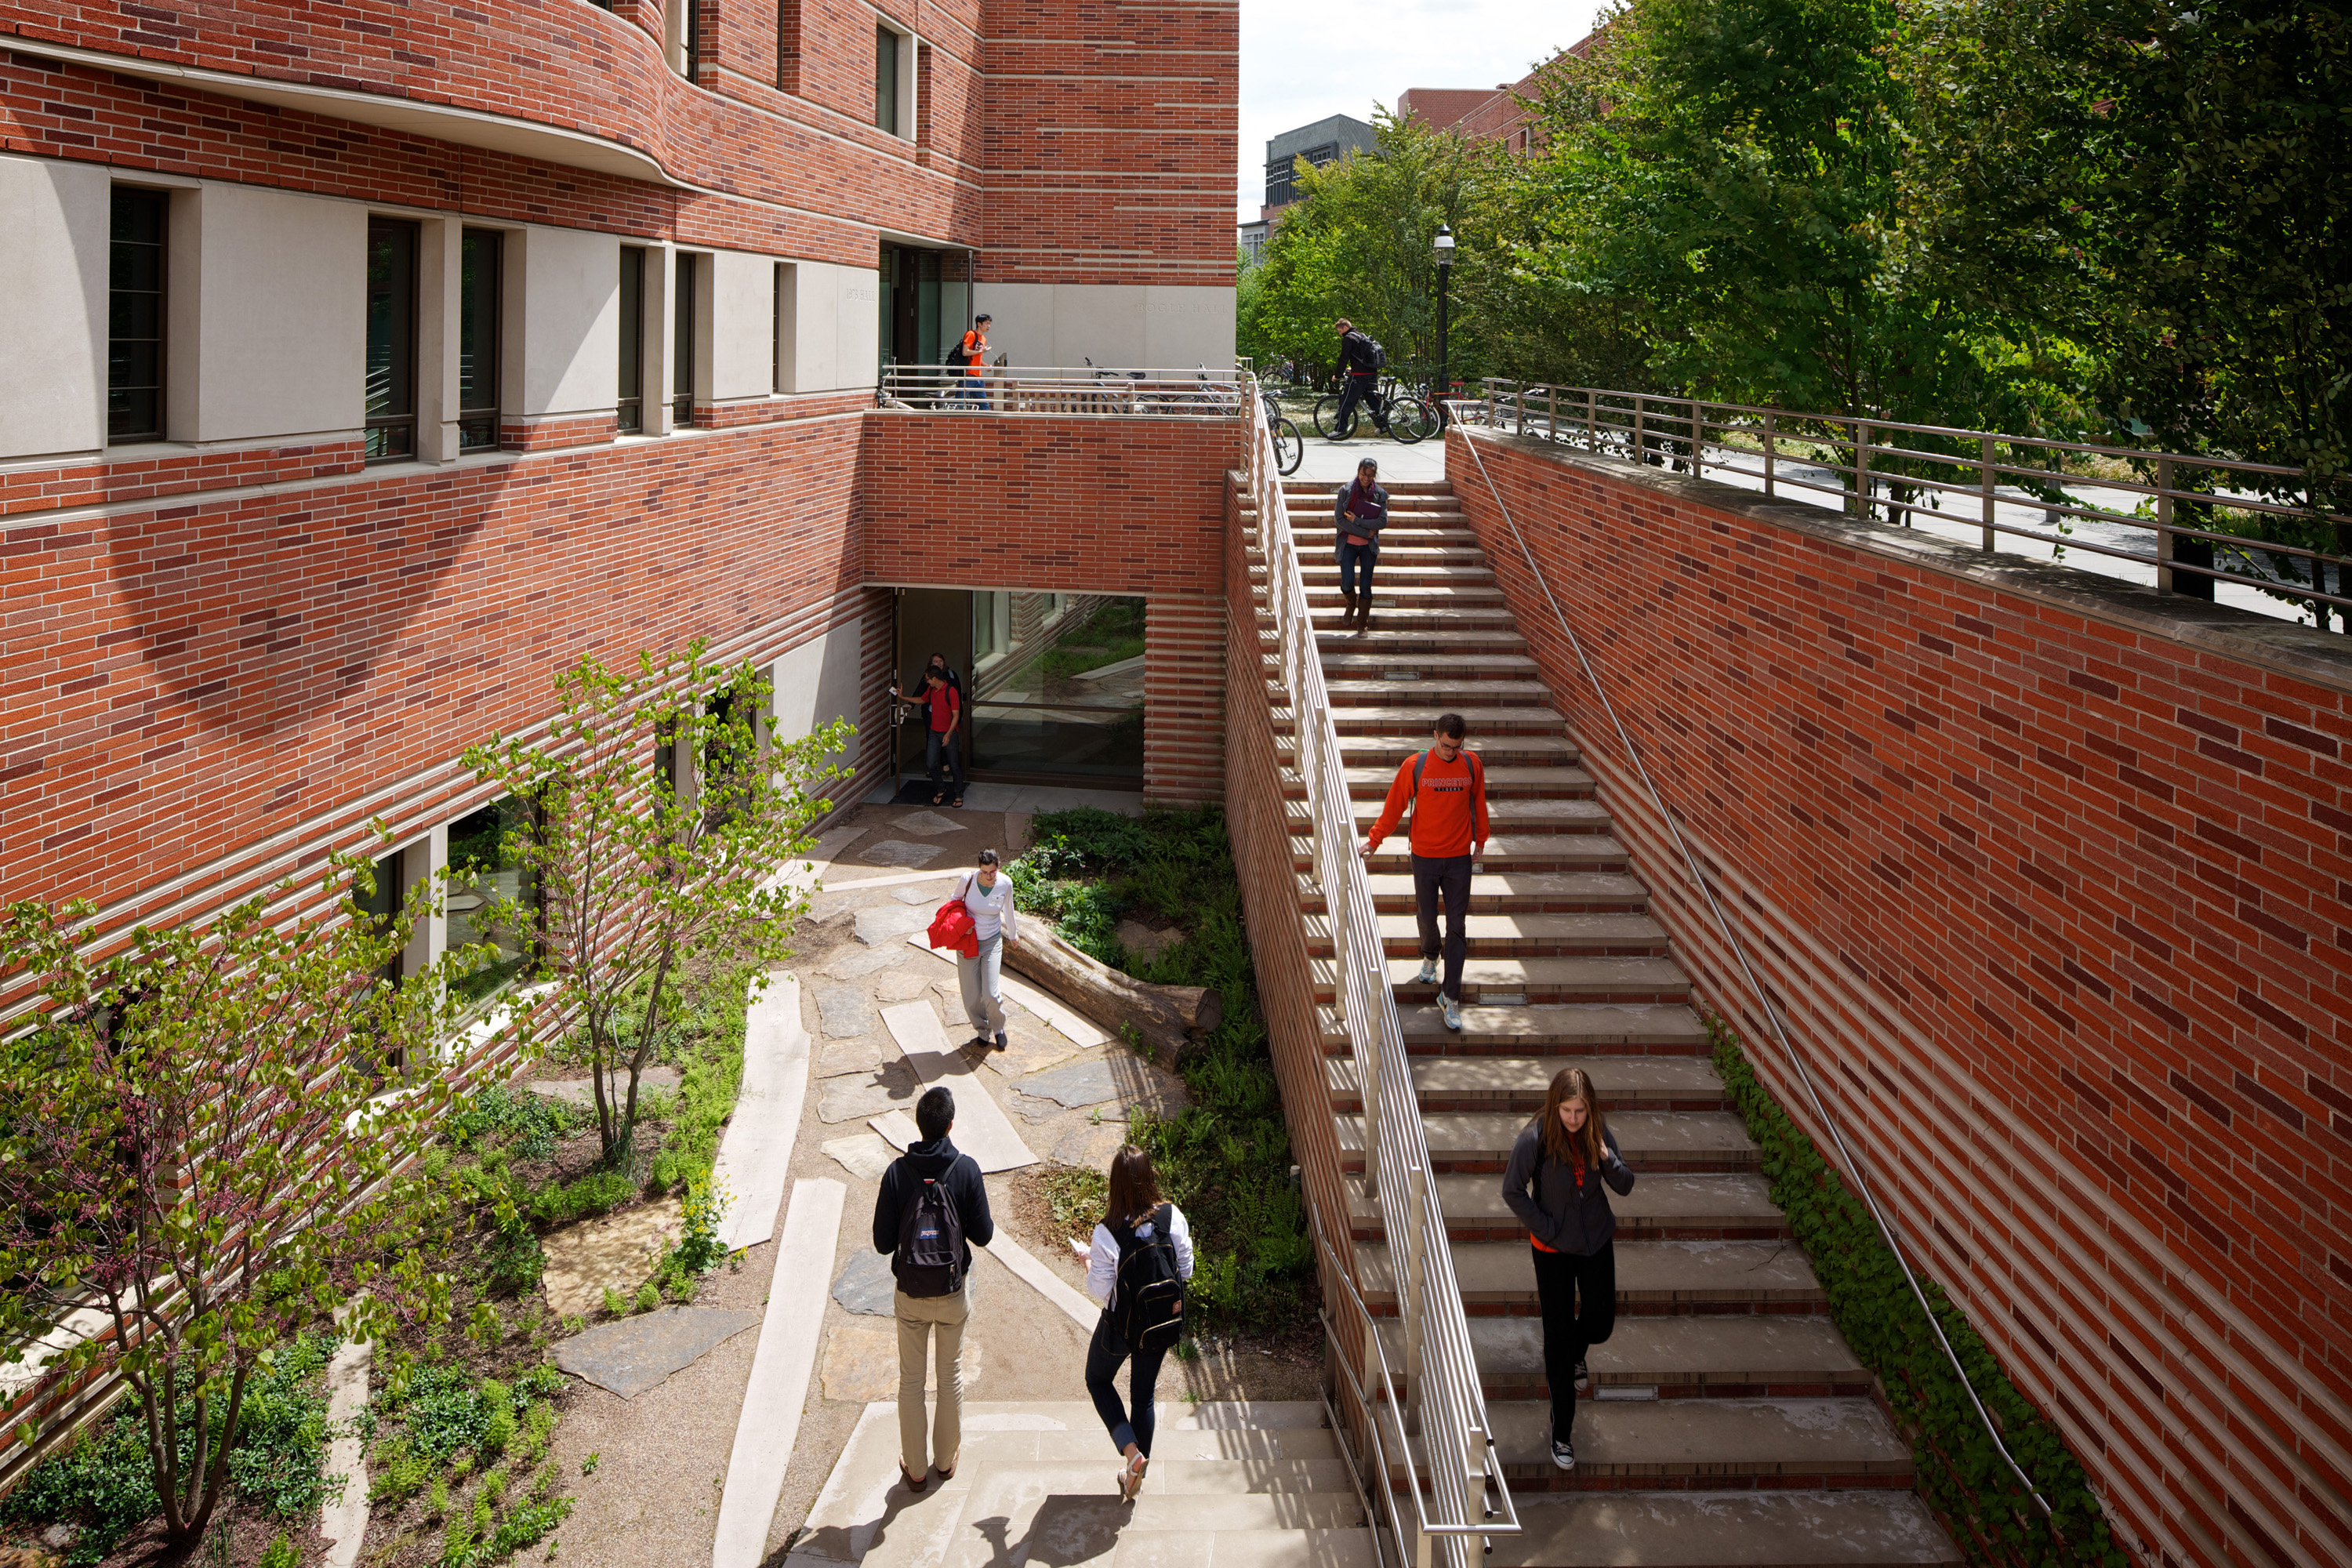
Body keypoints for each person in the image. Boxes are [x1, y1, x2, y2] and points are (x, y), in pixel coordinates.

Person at [1501, 1069, 1632, 1472]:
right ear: (1554, 1105)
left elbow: (1625, 1185)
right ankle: (1562, 1433)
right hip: (1552, 1250)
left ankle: (1578, 1352)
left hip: (1594, 1241)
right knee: (1556, 1340)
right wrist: (1547, 1227)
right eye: (1567, 1110)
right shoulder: (1534, 1140)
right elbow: (1512, 1190)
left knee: (1601, 1322)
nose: (1574, 1119)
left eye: (1580, 1110)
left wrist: (1607, 1158)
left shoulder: (1598, 1133)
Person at [873, 1085, 994, 1491]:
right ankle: (946, 1460)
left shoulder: (896, 1173)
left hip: (910, 1295)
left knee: (911, 1380)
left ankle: (917, 1470)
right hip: (952, 1292)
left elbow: (882, 1243)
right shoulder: (965, 1169)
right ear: (950, 1125)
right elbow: (985, 1235)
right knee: (949, 1375)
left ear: (920, 1127)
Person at [1359, 713, 1488, 1030]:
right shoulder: (1415, 767)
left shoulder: (1471, 765)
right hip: (1425, 857)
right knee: (1427, 917)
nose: (1450, 752)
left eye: (1456, 747)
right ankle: (1431, 955)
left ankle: (1451, 997)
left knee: (1457, 926)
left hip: (1458, 858)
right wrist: (1375, 840)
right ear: (1435, 736)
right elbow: (1395, 805)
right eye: (1445, 745)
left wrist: (1481, 840)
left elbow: (1479, 802)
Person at [1082, 1145, 1194, 1502]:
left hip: (1120, 1328)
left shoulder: (1107, 1232)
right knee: (1143, 1394)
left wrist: (1088, 1262)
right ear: (1150, 1177)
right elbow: (1186, 1269)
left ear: (1115, 1184)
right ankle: (1135, 1476)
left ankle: (1132, 1456)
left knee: (1097, 1380)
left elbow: (1101, 1289)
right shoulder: (1171, 1217)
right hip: (1159, 1325)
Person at [954, 849, 1018, 1051]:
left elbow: (1009, 909)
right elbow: (954, 902)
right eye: (984, 871)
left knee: (990, 993)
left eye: (992, 872)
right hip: (968, 942)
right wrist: (963, 923)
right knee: (971, 994)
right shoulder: (969, 879)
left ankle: (998, 1028)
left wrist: (1014, 935)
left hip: (991, 942)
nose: (988, 876)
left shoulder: (1005, 883)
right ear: (979, 868)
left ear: (998, 866)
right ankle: (982, 1030)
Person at [1332, 457, 1388, 633]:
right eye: (1364, 474)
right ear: (1358, 472)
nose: (1367, 478)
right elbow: (1340, 520)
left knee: (1366, 586)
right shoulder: (1346, 491)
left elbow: (1382, 521)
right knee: (1347, 582)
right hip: (1348, 544)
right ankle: (1350, 604)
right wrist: (1363, 530)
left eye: (1371, 476)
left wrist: (1358, 521)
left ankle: (1362, 622)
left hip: (1368, 548)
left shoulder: (1380, 494)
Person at [900, 665, 963, 807]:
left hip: (949, 733)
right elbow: (922, 700)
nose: (926, 681)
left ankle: (958, 794)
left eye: (927, 679)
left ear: (934, 678)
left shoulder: (951, 691)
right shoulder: (931, 690)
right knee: (930, 763)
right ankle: (941, 788)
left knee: (954, 765)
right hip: (934, 733)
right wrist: (903, 697)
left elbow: (956, 715)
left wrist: (949, 734)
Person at [1332, 318, 1391, 437]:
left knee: (1346, 401)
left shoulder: (1348, 339)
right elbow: (1361, 358)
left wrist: (1338, 375)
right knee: (1372, 399)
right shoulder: (1361, 336)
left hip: (1359, 377)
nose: (1340, 334)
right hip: (1371, 373)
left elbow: (1343, 359)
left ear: (1345, 328)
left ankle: (1340, 429)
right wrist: (1352, 368)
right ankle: (1383, 425)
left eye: (1339, 331)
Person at [953, 314, 993, 406]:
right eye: (986, 323)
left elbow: (977, 356)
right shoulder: (971, 334)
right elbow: (965, 352)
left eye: (989, 324)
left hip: (977, 376)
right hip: (969, 374)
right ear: (979, 324)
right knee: (960, 403)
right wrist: (981, 351)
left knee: (984, 406)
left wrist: (985, 366)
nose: (989, 326)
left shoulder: (983, 338)